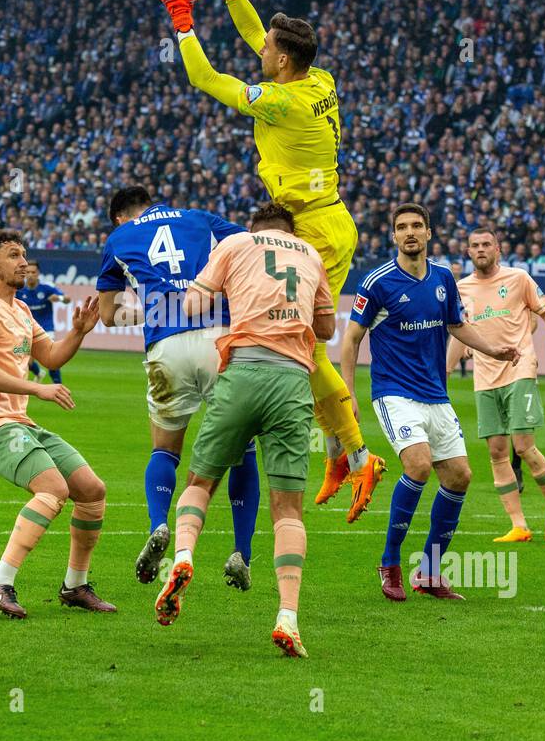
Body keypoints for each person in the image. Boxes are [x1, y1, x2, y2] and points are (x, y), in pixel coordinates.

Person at [157, 0, 386, 525]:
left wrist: (181, 19)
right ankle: (340, 450)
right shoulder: (317, 79)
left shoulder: (279, 103)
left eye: (268, 53)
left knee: (301, 344)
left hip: (314, 230)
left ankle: (357, 453)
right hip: (323, 219)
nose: (261, 53)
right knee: (299, 343)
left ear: (283, 63)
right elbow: (260, 36)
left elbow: (204, 76)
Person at [155, 203, 336, 658]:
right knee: (288, 509)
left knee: (201, 481)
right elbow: (328, 328)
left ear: (255, 227)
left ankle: (183, 559)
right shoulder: (311, 255)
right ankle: (287, 617)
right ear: (290, 231)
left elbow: (193, 303)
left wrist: (235, 293)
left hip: (242, 372)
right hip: (292, 381)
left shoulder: (236, 243)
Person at [340, 204, 520, 601]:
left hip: (435, 394)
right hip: (393, 392)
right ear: (393, 236)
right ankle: (389, 563)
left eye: (417, 226)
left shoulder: (443, 278)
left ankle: (430, 571)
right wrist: (348, 394)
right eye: (401, 227)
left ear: (429, 232)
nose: (410, 232)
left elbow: (457, 325)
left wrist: (494, 349)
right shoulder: (377, 282)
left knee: (459, 476)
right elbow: (351, 339)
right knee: (419, 466)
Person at [96, 185, 261, 589]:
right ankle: (242, 552)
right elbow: (256, 245)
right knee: (242, 451)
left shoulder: (119, 238)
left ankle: (158, 525)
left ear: (120, 216)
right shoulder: (200, 219)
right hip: (219, 338)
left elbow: (108, 315)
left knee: (164, 449)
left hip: (167, 346)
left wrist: (154, 307)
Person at [0, 230, 116, 620]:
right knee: (53, 487)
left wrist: (78, 332)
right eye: (14, 255)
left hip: (19, 422)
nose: (23, 262)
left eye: (25, 255)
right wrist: (38, 389)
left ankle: (75, 585)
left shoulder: (21, 311)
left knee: (92, 490)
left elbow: (50, 356)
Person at [450, 227, 545, 543]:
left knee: (522, 445)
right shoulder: (460, 289)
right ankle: (518, 525)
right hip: (484, 376)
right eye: (474, 245)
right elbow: (457, 334)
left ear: (498, 249)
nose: (480, 249)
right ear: (468, 251)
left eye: (486, 244)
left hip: (520, 370)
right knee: (497, 452)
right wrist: (443, 375)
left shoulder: (518, 278)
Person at [16, 262, 69, 383]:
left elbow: (68, 299)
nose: (30, 275)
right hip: (27, 328)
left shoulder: (47, 287)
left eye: (33, 272)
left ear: (38, 273)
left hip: (46, 328)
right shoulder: (19, 289)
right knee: (27, 361)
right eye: (28, 272)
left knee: (51, 359)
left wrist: (59, 298)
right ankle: (39, 373)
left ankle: (58, 385)